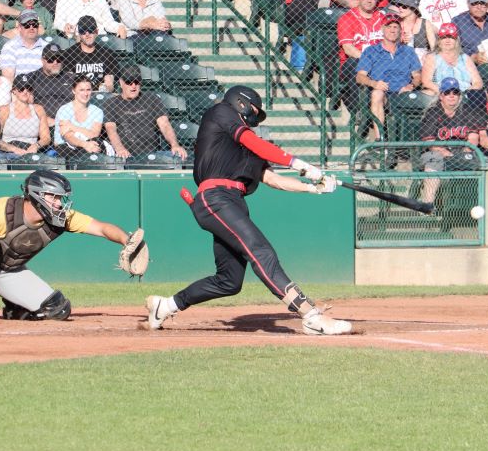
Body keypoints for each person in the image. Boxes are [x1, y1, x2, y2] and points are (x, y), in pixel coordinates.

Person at [144, 84, 348, 333]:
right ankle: (310, 317)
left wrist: (313, 187)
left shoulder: (247, 147)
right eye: (252, 109)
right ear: (240, 102)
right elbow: (254, 141)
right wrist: (300, 164)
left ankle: (165, 306)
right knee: (261, 251)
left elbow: (273, 179)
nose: (254, 115)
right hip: (215, 197)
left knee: (229, 280)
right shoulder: (220, 113)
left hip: (234, 202)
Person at [0, 169, 140, 322]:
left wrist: (127, 241)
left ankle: (15, 308)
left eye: (61, 198)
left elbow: (100, 227)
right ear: (37, 195)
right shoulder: (3, 211)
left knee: (58, 310)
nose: (59, 203)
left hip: (4, 270)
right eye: (54, 197)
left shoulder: (61, 217)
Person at [355, 13, 421, 139]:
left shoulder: (408, 51)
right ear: (382, 29)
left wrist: (411, 86)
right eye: (388, 26)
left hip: (403, 92)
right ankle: (380, 139)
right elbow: (360, 76)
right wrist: (374, 84)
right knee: (377, 93)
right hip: (384, 94)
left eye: (396, 27)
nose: (392, 29)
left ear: (400, 31)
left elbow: (417, 76)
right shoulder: (371, 51)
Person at [103, 65, 187, 159]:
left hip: (153, 154)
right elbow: (111, 129)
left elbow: (164, 124)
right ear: (121, 83)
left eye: (136, 82)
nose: (133, 86)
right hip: (125, 155)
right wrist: (120, 149)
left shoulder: (152, 99)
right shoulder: (111, 103)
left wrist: (175, 145)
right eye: (129, 82)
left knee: (179, 157)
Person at [418, 77, 480, 202]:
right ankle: (427, 206)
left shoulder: (467, 111)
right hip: (437, 153)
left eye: (455, 92)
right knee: (433, 161)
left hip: (462, 152)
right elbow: (430, 143)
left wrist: (467, 149)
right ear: (441, 96)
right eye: (447, 93)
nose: (452, 96)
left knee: (485, 161)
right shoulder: (432, 113)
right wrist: (444, 152)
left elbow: (473, 137)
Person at [337, 0, 385, 113]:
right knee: (356, 65)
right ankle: (358, 111)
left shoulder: (383, 18)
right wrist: (370, 60)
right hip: (354, 61)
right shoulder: (347, 18)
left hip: (381, 61)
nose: (369, 1)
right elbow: (348, 48)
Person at [421, 22, 483, 95]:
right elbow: (426, 81)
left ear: (456, 40)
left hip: (464, 94)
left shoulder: (465, 58)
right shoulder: (432, 57)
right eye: (444, 37)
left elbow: (478, 82)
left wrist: (465, 93)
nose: (447, 40)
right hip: (441, 94)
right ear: (439, 41)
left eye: (451, 37)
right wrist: (445, 93)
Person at [0, 73, 51, 157]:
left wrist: (36, 146)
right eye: (21, 89)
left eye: (29, 88)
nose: (25, 92)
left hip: (31, 150)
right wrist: (13, 149)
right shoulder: (5, 110)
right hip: (9, 151)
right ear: (14, 91)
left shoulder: (38, 109)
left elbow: (46, 138)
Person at [62, 15, 119, 91]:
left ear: (97, 31)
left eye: (91, 29)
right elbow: (67, 84)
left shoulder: (107, 54)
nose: (87, 34)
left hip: (101, 97)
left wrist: (110, 85)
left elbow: (113, 85)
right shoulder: (69, 54)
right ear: (79, 34)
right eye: (83, 31)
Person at [52, 74, 103, 156]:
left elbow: (94, 135)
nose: (86, 94)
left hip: (89, 146)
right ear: (74, 90)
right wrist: (85, 144)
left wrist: (72, 126)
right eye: (81, 90)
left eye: (88, 90)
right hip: (65, 147)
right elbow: (68, 136)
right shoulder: (64, 110)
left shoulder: (97, 111)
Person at [24, 42, 73, 124]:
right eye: (51, 59)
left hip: (69, 123)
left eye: (59, 59)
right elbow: (25, 107)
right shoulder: (31, 78)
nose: (55, 62)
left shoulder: (71, 78)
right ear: (43, 60)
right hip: (41, 123)